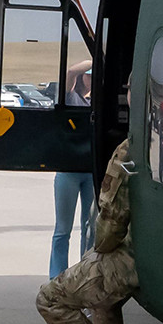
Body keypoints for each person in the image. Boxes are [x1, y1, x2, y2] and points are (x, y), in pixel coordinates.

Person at [37, 124, 144, 324]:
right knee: (101, 297)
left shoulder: (130, 149)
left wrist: (94, 253)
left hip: (140, 260)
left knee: (50, 298)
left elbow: (109, 230)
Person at [51, 61, 97, 276]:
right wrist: (96, 56)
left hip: (89, 170)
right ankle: (57, 276)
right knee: (63, 229)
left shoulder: (95, 102)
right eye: (89, 75)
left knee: (90, 229)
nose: (91, 79)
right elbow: (70, 71)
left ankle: (83, 275)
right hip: (68, 170)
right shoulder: (71, 97)